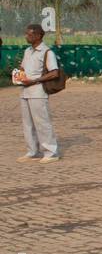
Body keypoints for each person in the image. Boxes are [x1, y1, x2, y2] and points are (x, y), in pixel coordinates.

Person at [14, 23, 60, 162]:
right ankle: (32, 151)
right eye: (27, 34)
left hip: (38, 92)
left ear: (38, 35)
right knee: (27, 124)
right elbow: (23, 67)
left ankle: (51, 152)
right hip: (24, 91)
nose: (26, 36)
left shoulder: (47, 52)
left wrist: (34, 80)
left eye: (29, 34)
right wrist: (19, 75)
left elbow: (54, 73)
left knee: (42, 123)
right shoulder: (28, 51)